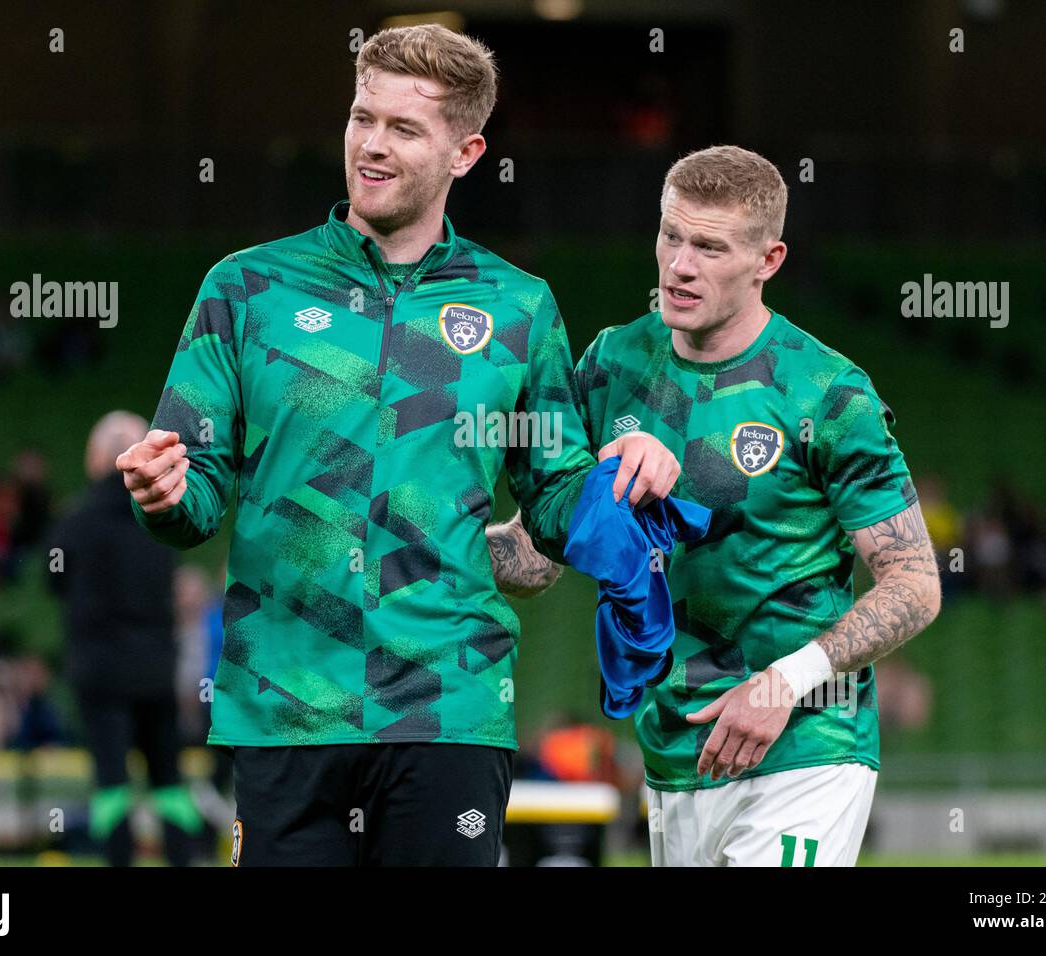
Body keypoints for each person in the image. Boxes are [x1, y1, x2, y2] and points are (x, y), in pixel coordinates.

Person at [116, 24, 680, 867]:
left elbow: (557, 499)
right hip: (283, 706)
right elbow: (195, 494)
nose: (372, 147)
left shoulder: (519, 308)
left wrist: (622, 477)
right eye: (361, 118)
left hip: (448, 706)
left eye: (404, 129)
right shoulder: (246, 287)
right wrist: (163, 492)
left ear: (466, 151)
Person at [491, 145, 942, 866]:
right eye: (671, 235)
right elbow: (538, 558)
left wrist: (786, 684)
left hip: (807, 749)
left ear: (769, 259)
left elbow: (916, 584)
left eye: (709, 246)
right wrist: (428, 543)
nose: (679, 264)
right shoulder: (611, 364)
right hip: (673, 756)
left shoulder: (826, 391)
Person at [48, 410, 204, 866]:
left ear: (97, 459)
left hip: (99, 672)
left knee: (111, 783)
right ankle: (182, 859)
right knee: (169, 781)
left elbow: (50, 578)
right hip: (156, 669)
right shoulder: (162, 518)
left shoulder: (76, 522)